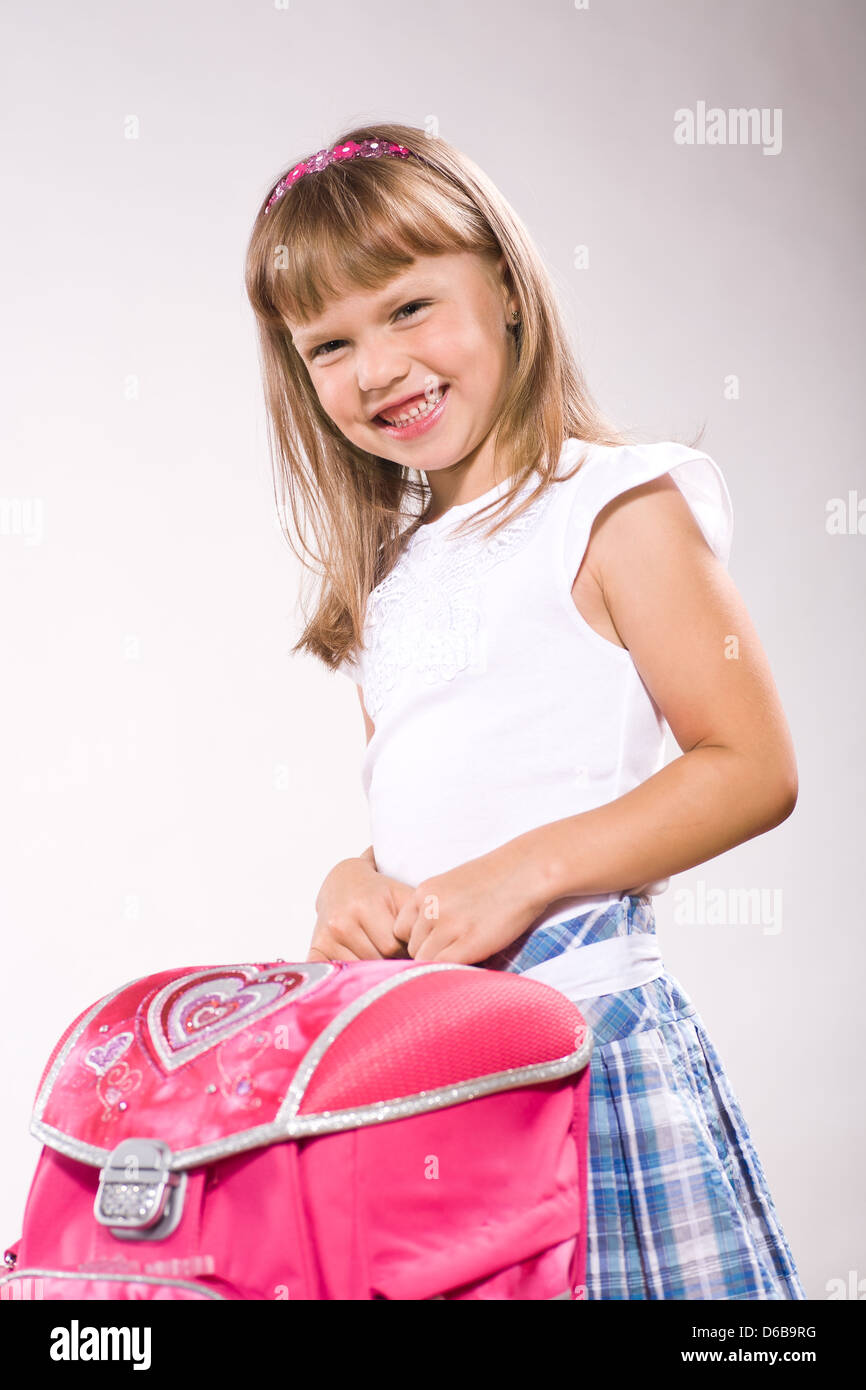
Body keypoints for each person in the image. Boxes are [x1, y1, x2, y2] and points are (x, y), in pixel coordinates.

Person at [244, 122, 806, 1300]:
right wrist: (353, 883)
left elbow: (749, 761)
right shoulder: (390, 585)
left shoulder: (608, 506)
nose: (377, 367)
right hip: (433, 1075)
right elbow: (433, 813)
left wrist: (525, 874)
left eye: (407, 307)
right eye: (329, 343)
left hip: (585, 1056)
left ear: (502, 283)